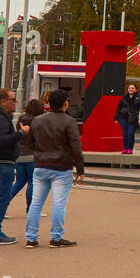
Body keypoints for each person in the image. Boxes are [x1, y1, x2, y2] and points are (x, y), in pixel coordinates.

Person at [24, 89, 83, 248]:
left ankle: (31, 237)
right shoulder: (69, 121)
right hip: (61, 166)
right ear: (65, 103)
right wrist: (80, 170)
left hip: (41, 165)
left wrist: (40, 150)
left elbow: (29, 142)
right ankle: (56, 237)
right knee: (58, 203)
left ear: (48, 103)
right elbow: (76, 147)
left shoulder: (37, 120)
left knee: (36, 203)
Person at [0, 89, 28, 245]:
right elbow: (2, 140)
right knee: (2, 198)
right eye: (13, 99)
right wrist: (21, 133)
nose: (15, 102)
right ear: (3, 101)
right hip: (1, 162)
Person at [8, 98, 43, 218]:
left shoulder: (21, 118)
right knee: (32, 182)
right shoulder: (38, 120)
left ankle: (3, 205)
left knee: (19, 181)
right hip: (32, 154)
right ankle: (30, 210)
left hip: (19, 154)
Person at [115, 83, 140, 154]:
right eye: (129, 88)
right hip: (123, 117)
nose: (131, 89)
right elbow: (119, 107)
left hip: (133, 118)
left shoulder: (139, 97)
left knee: (130, 133)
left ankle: (130, 148)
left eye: (132, 88)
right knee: (125, 134)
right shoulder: (124, 97)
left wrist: (139, 117)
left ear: (136, 89)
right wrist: (116, 118)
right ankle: (125, 148)